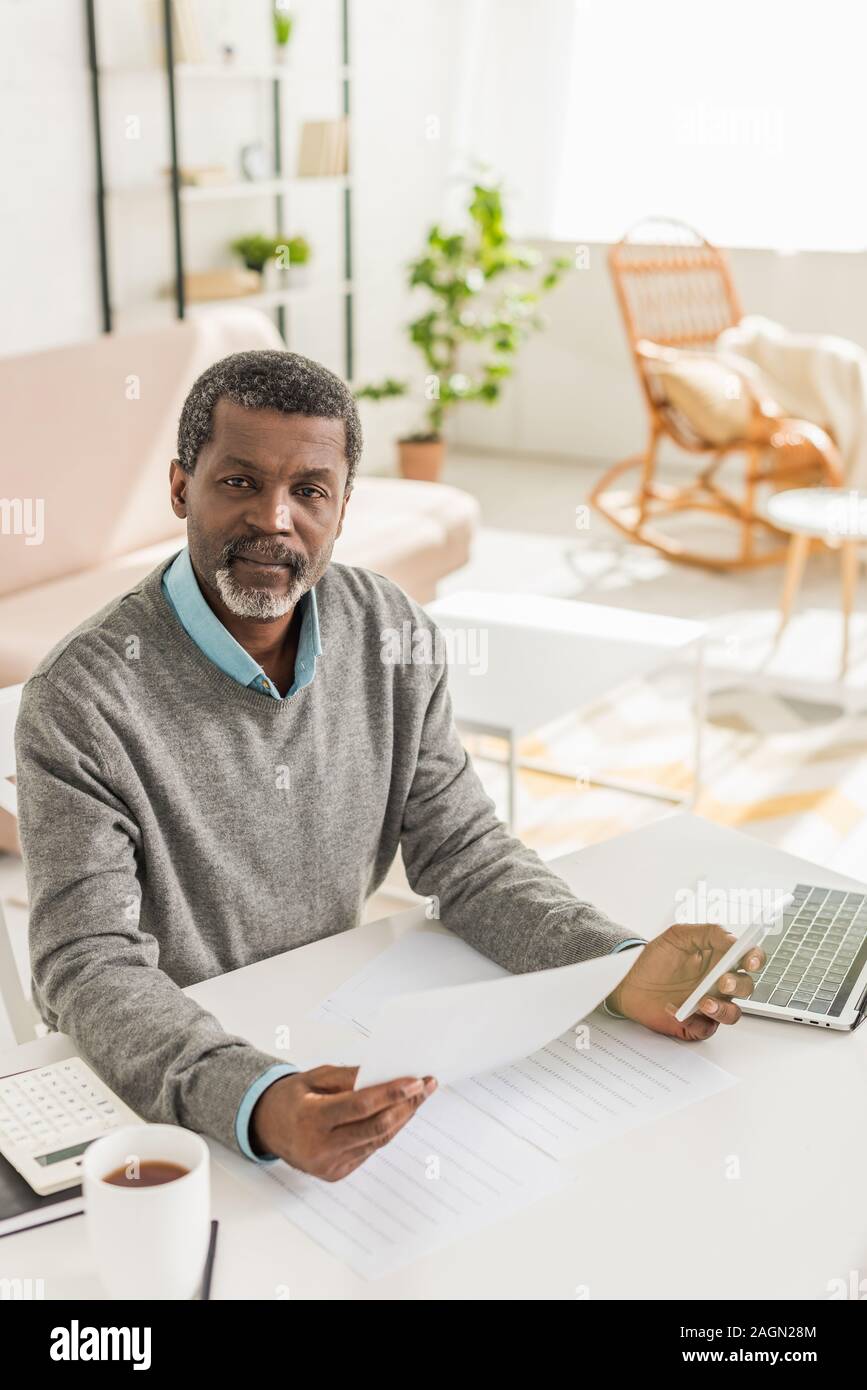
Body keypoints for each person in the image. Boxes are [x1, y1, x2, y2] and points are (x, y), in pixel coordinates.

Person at [15, 350, 762, 1185]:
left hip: (336, 1027)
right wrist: (254, 1096)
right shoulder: (81, 699)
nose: (275, 519)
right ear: (182, 486)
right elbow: (89, 964)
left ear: (341, 507)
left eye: (309, 490)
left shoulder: (389, 630)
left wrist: (614, 968)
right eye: (238, 483)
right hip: (170, 1087)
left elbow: (466, 855)